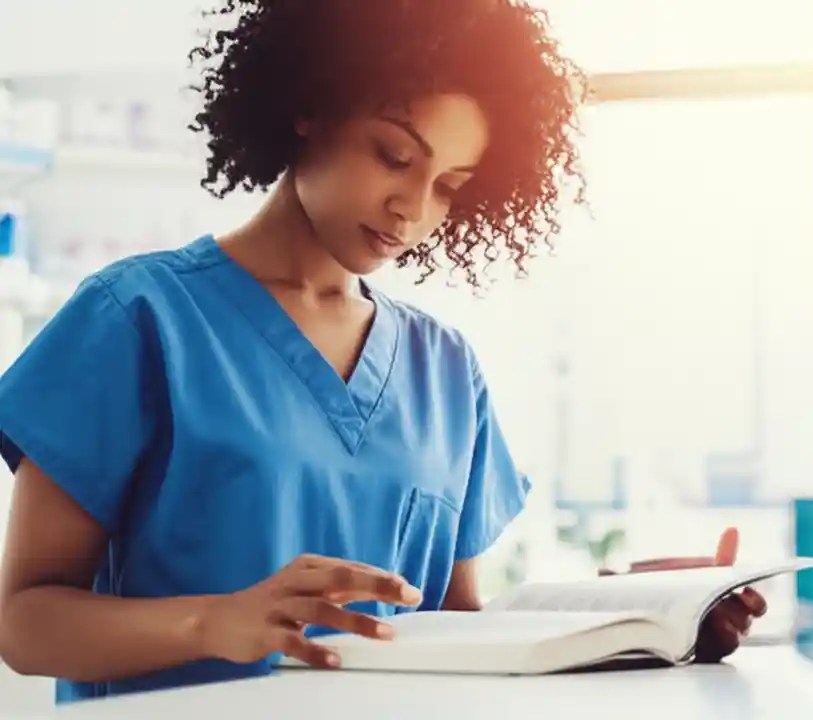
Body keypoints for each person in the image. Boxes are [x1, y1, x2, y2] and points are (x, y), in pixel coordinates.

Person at [0, 0, 766, 704]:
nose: (414, 208)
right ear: (310, 106)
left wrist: (637, 624)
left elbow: (456, 629)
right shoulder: (137, 319)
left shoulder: (447, 368)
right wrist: (216, 623)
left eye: (450, 186)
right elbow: (24, 623)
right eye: (394, 156)